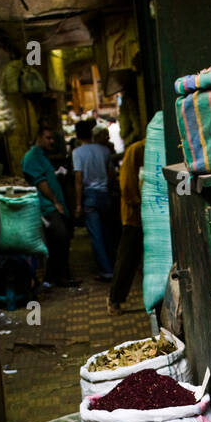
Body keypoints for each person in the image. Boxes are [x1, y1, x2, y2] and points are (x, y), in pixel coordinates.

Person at [21, 126, 77, 288]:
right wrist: (55, 202)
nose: (51, 141)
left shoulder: (42, 156)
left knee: (59, 239)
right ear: (38, 137)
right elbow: (41, 183)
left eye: (52, 138)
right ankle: (59, 277)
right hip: (47, 206)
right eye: (48, 138)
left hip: (53, 204)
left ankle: (55, 276)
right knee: (60, 237)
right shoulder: (32, 157)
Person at [72, 118, 114, 279]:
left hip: (90, 196)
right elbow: (111, 174)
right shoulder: (104, 150)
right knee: (108, 233)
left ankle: (106, 270)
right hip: (105, 195)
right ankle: (113, 266)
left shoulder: (77, 153)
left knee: (96, 235)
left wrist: (77, 205)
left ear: (77, 135)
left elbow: (78, 179)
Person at [108, 137, 145, 315]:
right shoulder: (136, 150)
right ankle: (115, 299)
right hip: (134, 215)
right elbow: (127, 184)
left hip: (152, 213)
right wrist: (138, 204)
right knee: (128, 258)